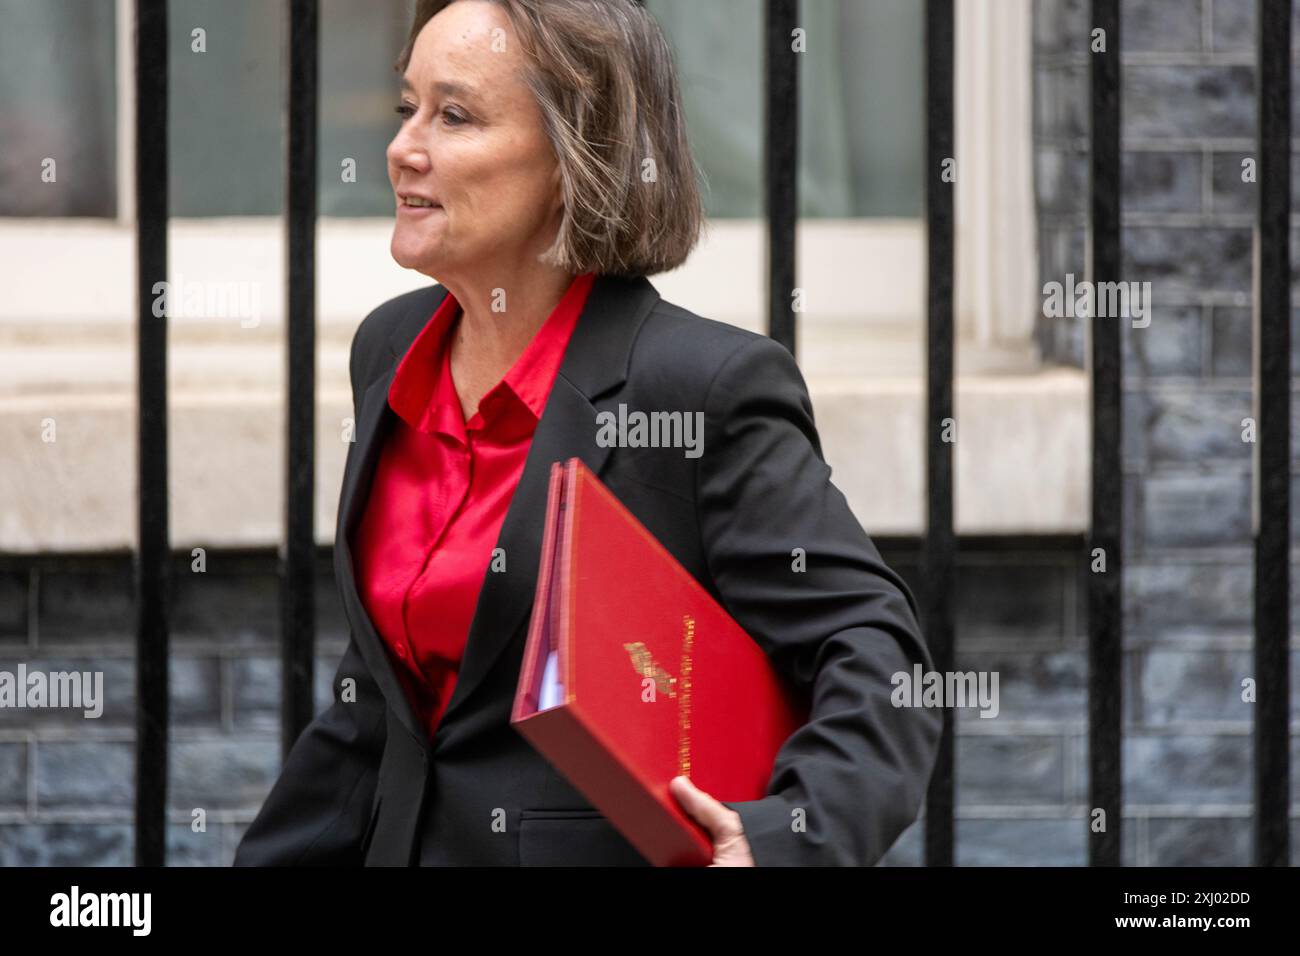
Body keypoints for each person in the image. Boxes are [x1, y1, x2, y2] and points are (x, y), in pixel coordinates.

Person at [234, 0, 940, 867]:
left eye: (453, 115)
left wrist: (784, 838)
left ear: (578, 161)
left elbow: (877, 656)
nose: (403, 148)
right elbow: (384, 702)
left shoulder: (700, 390)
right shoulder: (391, 350)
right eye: (406, 107)